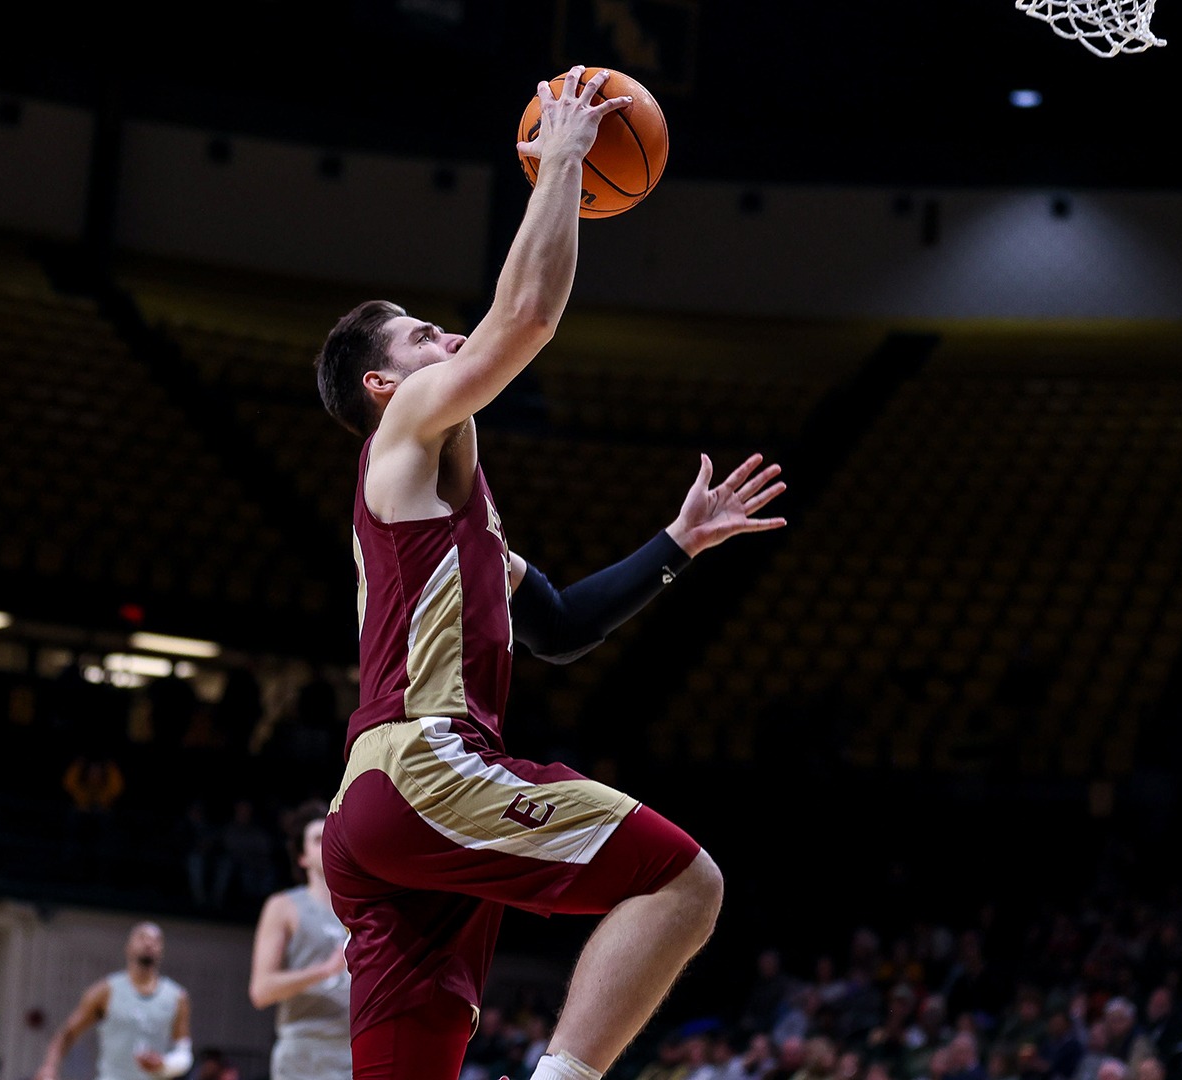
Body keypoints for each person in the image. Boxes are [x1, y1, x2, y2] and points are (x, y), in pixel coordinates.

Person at [312, 65, 788, 1080]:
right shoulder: (399, 431)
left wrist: (675, 545)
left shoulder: (456, 522)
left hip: (383, 814)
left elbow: (562, 625)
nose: (445, 333)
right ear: (385, 382)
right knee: (684, 884)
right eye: (419, 334)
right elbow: (522, 320)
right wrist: (563, 161)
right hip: (425, 769)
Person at [249, 800, 351, 1080]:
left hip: (356, 1050)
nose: (327, 844)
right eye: (318, 839)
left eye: (331, 837)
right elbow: (261, 990)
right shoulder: (284, 906)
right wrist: (325, 970)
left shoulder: (363, 910)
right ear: (301, 857)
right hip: (305, 1051)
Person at [34, 921, 193, 1080]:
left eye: (156, 940)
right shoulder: (105, 991)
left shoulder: (177, 997)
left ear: (161, 950)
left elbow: (183, 1053)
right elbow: (67, 1034)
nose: (149, 943)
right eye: (142, 937)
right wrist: (49, 1066)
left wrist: (164, 1064)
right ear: (128, 947)